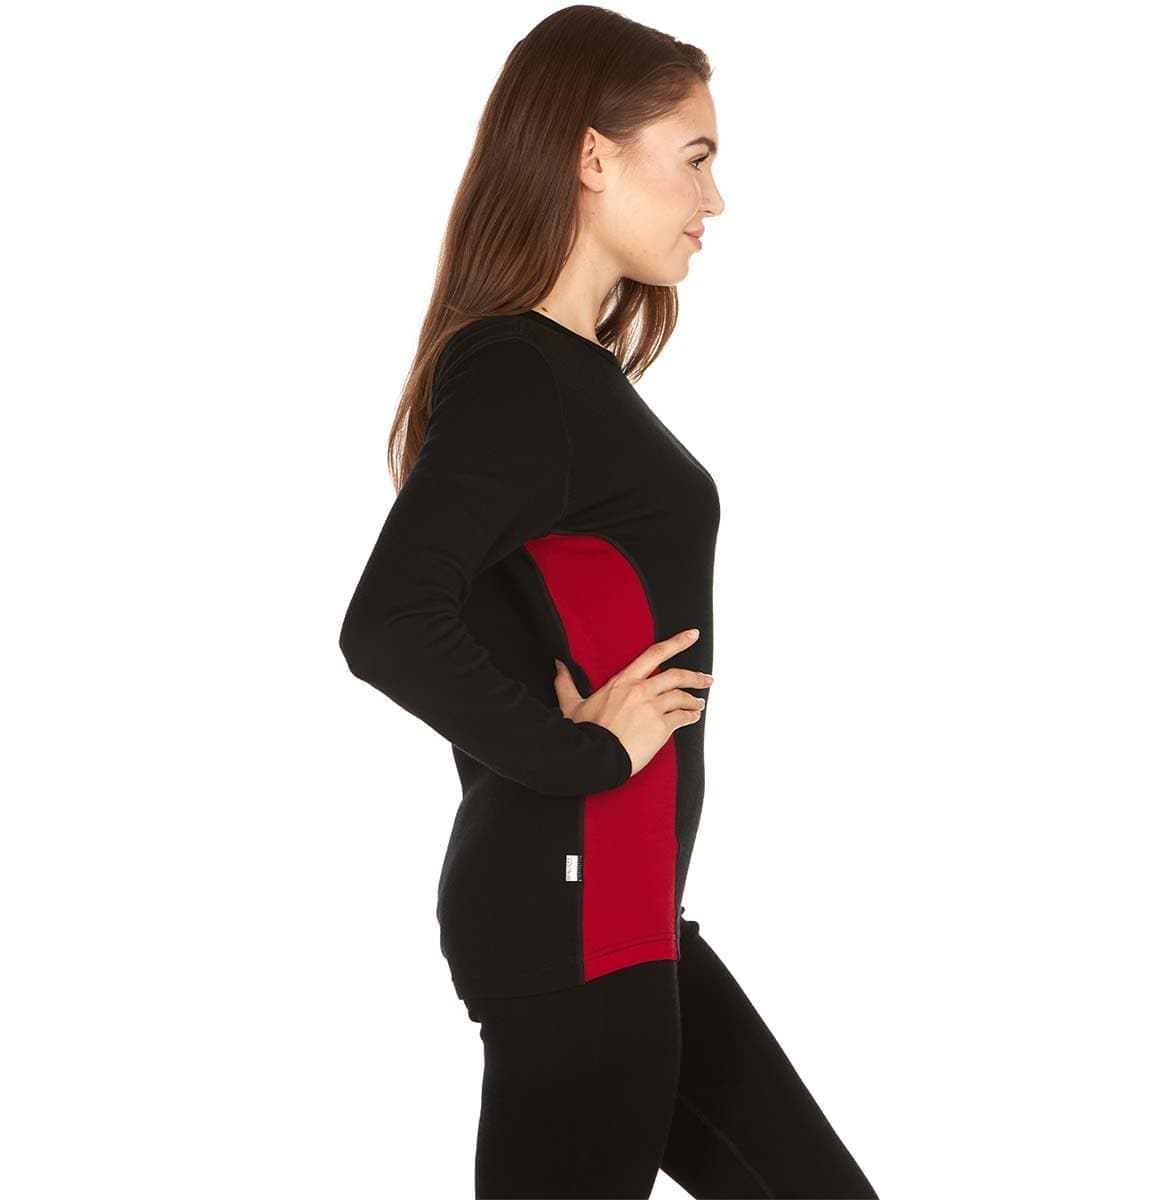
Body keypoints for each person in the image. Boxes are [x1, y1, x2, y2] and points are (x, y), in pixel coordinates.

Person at [338, 6, 877, 1197]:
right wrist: (584, 755)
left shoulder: (566, 376)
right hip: (573, 910)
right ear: (592, 157)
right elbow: (387, 622)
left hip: (625, 910)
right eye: (695, 158)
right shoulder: (517, 372)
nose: (715, 199)